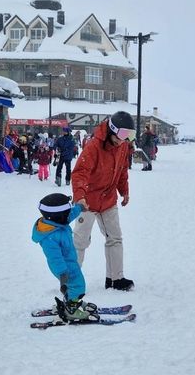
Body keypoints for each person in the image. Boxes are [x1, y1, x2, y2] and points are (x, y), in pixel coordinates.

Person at [72, 111, 135, 291]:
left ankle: (115, 279)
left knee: (115, 238)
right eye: (122, 134)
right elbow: (80, 173)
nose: (124, 140)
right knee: (80, 240)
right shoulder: (93, 146)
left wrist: (124, 191)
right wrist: (80, 197)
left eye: (129, 135)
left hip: (108, 200)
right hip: (88, 201)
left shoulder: (122, 146)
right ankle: (72, 281)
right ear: (112, 130)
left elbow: (122, 170)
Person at [32, 193, 98, 322]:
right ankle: (71, 309)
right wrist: (62, 273)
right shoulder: (49, 237)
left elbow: (70, 214)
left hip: (69, 263)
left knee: (72, 286)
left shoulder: (56, 221)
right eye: (66, 212)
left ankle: (72, 301)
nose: (69, 214)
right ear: (59, 215)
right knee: (78, 285)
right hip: (63, 267)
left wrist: (79, 207)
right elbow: (54, 258)